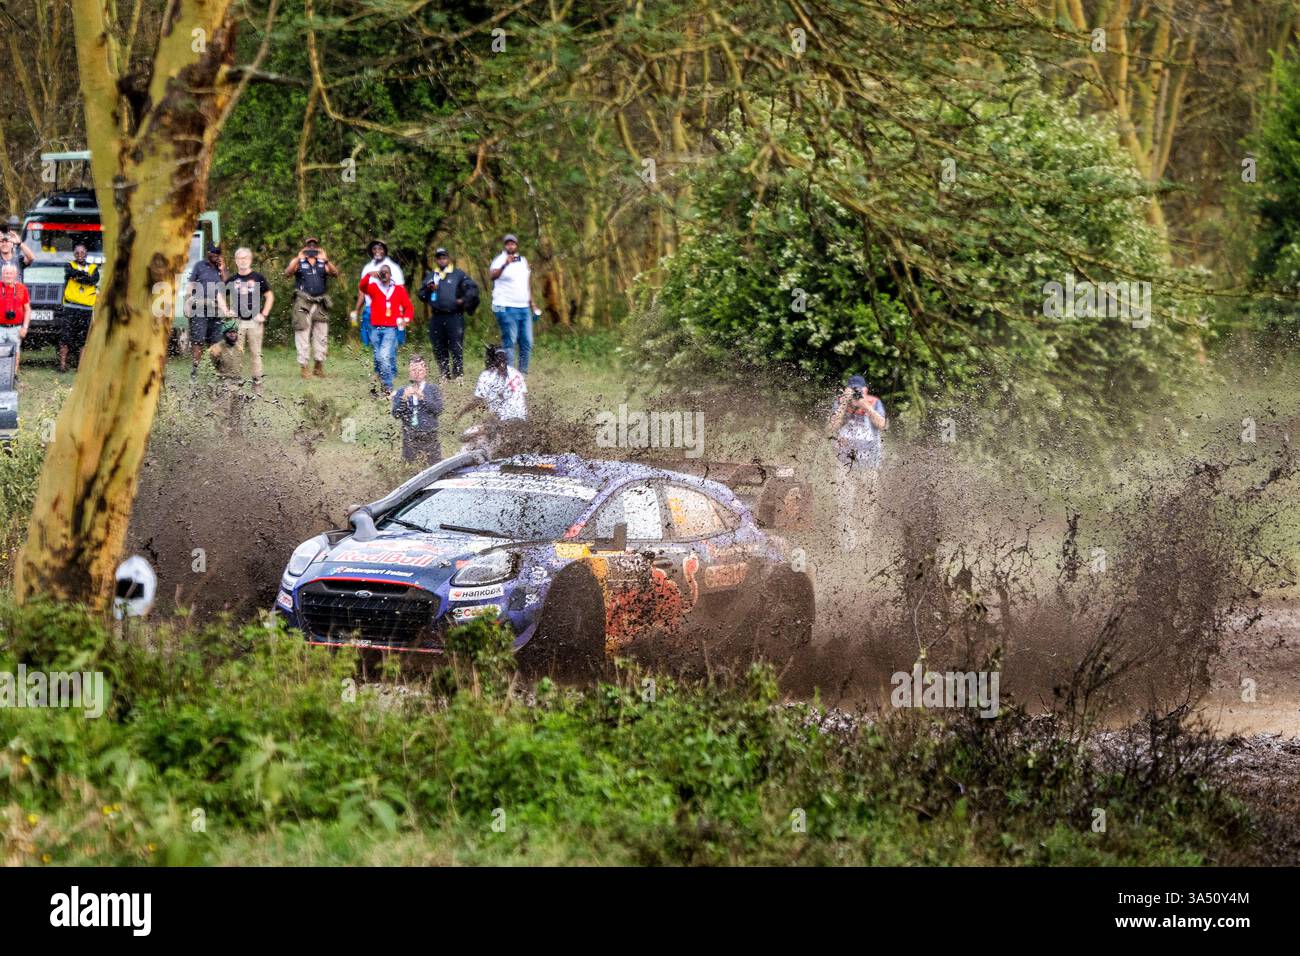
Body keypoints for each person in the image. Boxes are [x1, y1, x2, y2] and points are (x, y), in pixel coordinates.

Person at [825, 374, 888, 552]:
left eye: (859, 391)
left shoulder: (874, 402)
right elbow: (830, 428)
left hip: (870, 463)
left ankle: (865, 543)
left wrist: (865, 406)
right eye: (853, 390)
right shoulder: (840, 403)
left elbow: (882, 424)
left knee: (867, 504)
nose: (856, 394)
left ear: (866, 390)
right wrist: (844, 404)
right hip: (845, 463)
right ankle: (847, 544)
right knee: (845, 504)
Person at [417, 247, 476, 381]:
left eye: (444, 257)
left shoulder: (458, 274)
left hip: (454, 316)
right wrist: (428, 289)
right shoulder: (431, 276)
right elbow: (421, 295)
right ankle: (444, 373)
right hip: (436, 316)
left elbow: (472, 288)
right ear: (436, 260)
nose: (442, 260)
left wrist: (464, 300)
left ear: (448, 259)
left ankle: (458, 374)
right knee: (438, 345)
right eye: (439, 257)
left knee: (456, 345)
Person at [284, 236, 337, 379]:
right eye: (309, 245)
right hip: (303, 301)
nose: (312, 247)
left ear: (318, 247)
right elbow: (287, 273)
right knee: (302, 333)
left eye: (314, 245)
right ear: (305, 247)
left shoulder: (322, 262)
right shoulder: (299, 262)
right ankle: (304, 367)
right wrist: (298, 257)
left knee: (321, 335)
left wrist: (326, 260)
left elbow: (335, 273)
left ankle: (318, 367)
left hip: (320, 301)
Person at [358, 263, 414, 397]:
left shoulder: (398, 290)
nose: (384, 275)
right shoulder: (374, 288)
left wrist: (406, 319)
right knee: (378, 358)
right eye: (381, 273)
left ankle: (388, 387)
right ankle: (379, 386)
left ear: (390, 275)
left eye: (386, 273)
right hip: (375, 328)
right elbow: (362, 287)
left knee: (384, 356)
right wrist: (368, 275)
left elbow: (409, 307)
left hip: (390, 329)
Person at [488, 233, 537, 374]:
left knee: (527, 341)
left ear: (516, 245)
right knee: (510, 340)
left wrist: (532, 303)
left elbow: (525, 284)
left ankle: (522, 375)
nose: (510, 245)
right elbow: (492, 275)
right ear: (505, 246)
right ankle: (509, 373)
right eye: (508, 243)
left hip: (524, 308)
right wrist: (505, 265)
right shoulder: (500, 260)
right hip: (506, 306)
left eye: (513, 243)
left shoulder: (523, 261)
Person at [228, 247, 273, 388]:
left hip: (254, 320)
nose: (243, 261)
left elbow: (269, 296)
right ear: (236, 261)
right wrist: (227, 310)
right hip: (237, 321)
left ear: (250, 260)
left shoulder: (258, 278)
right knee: (236, 351)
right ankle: (236, 380)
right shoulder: (232, 280)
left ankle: (257, 382)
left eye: (245, 258)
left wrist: (264, 313)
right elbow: (219, 294)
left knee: (256, 352)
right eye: (240, 258)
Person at [188, 244, 233, 382]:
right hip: (200, 307)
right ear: (208, 253)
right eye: (212, 253)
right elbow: (191, 284)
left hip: (216, 309)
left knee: (216, 342)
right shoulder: (199, 266)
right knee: (198, 341)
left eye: (217, 253)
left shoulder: (221, 269)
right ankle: (195, 371)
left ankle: (219, 373)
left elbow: (226, 284)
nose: (214, 255)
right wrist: (188, 302)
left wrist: (222, 268)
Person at [391, 354, 445, 465]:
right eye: (413, 370)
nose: (416, 373)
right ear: (409, 372)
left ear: (425, 371)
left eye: (420, 370)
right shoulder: (402, 391)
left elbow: (438, 409)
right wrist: (403, 399)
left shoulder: (433, 389)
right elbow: (396, 414)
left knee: (434, 467)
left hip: (429, 436)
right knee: (410, 469)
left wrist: (423, 398)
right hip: (410, 437)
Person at [59, 241, 99, 372]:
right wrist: (84, 276)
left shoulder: (93, 267)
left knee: (83, 339)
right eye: (77, 252)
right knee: (66, 337)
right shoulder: (69, 265)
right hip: (71, 307)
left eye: (82, 252)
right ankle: (63, 366)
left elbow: (93, 279)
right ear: (74, 254)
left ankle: (80, 368)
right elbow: (71, 273)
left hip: (86, 309)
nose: (80, 254)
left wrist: (80, 276)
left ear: (86, 253)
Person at [207, 320, 248, 433]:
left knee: (238, 414)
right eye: (229, 332)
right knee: (221, 415)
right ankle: (221, 440)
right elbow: (208, 369)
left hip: (237, 384)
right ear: (224, 334)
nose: (232, 334)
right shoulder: (215, 349)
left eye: (234, 332)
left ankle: (236, 440)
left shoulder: (239, 349)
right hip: (223, 384)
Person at [0, 264, 30, 379]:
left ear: (16, 275)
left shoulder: (22, 289)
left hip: (16, 328)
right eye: (6, 273)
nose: (8, 276)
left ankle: (13, 375)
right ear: (2, 275)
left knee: (15, 351)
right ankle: (1, 376)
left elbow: (27, 309)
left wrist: (25, 327)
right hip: (0, 327)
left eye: (11, 273)